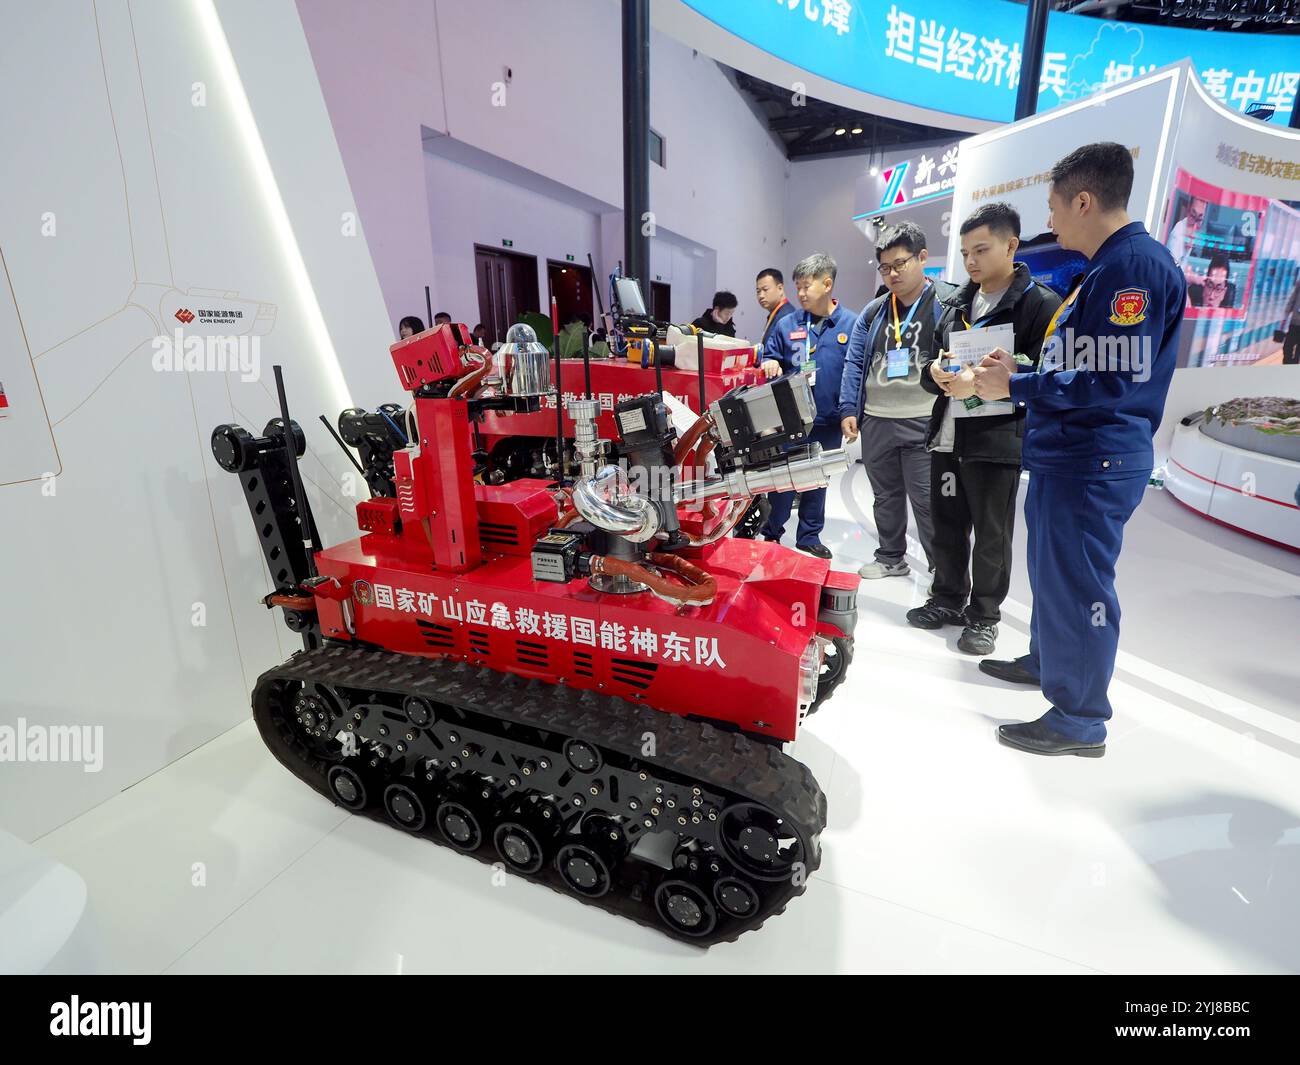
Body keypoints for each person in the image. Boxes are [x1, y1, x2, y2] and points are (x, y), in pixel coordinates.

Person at [972, 141, 1186, 758]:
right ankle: (1049, 661)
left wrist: (1012, 384)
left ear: (1084, 201)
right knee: (1054, 573)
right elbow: (1085, 362)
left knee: (1082, 584)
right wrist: (1024, 367)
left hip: (1096, 458)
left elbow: (1110, 379)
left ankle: (1080, 717)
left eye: (1053, 208)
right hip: (1070, 454)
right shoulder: (1106, 268)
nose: (1050, 222)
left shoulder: (1133, 270)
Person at [913, 202, 1061, 655]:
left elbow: (1048, 373)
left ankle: (984, 617)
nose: (971, 261)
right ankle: (947, 599)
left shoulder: (1038, 303)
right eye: (965, 253)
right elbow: (930, 362)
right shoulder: (956, 303)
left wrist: (1007, 375)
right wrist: (934, 373)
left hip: (996, 440)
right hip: (949, 433)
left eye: (981, 249)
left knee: (992, 533)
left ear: (1011, 246)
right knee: (947, 525)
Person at [839, 221, 949, 579]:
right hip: (877, 419)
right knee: (885, 495)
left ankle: (943, 571)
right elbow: (856, 361)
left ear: (922, 257)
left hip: (924, 419)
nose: (892, 274)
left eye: (900, 264)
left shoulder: (945, 303)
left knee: (928, 501)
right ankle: (890, 557)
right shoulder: (874, 312)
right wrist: (848, 409)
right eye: (885, 267)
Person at [759, 253, 857, 558]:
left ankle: (809, 536)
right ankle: (771, 532)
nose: (800, 294)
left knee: (818, 479)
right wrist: (771, 361)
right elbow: (769, 355)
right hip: (791, 419)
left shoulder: (851, 324)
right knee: (783, 478)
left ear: (827, 284)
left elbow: (855, 371)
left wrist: (850, 412)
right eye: (797, 287)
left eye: (806, 286)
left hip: (829, 420)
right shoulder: (788, 323)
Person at [756, 268, 799, 365]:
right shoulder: (776, 313)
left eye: (765, 290)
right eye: (758, 291)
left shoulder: (787, 316)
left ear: (780, 288)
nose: (761, 295)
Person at [1165, 194, 1207, 283]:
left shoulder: (1191, 228)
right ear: (1188, 211)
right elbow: (1173, 274)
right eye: (1192, 215)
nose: (1194, 228)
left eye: (1199, 219)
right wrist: (1195, 279)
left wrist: (1198, 278)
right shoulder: (1177, 235)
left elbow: (1183, 264)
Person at [1283, 276, 1300, 365]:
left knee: (1298, 353)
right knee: (1287, 347)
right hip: (1295, 322)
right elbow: (1292, 299)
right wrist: (1285, 315)